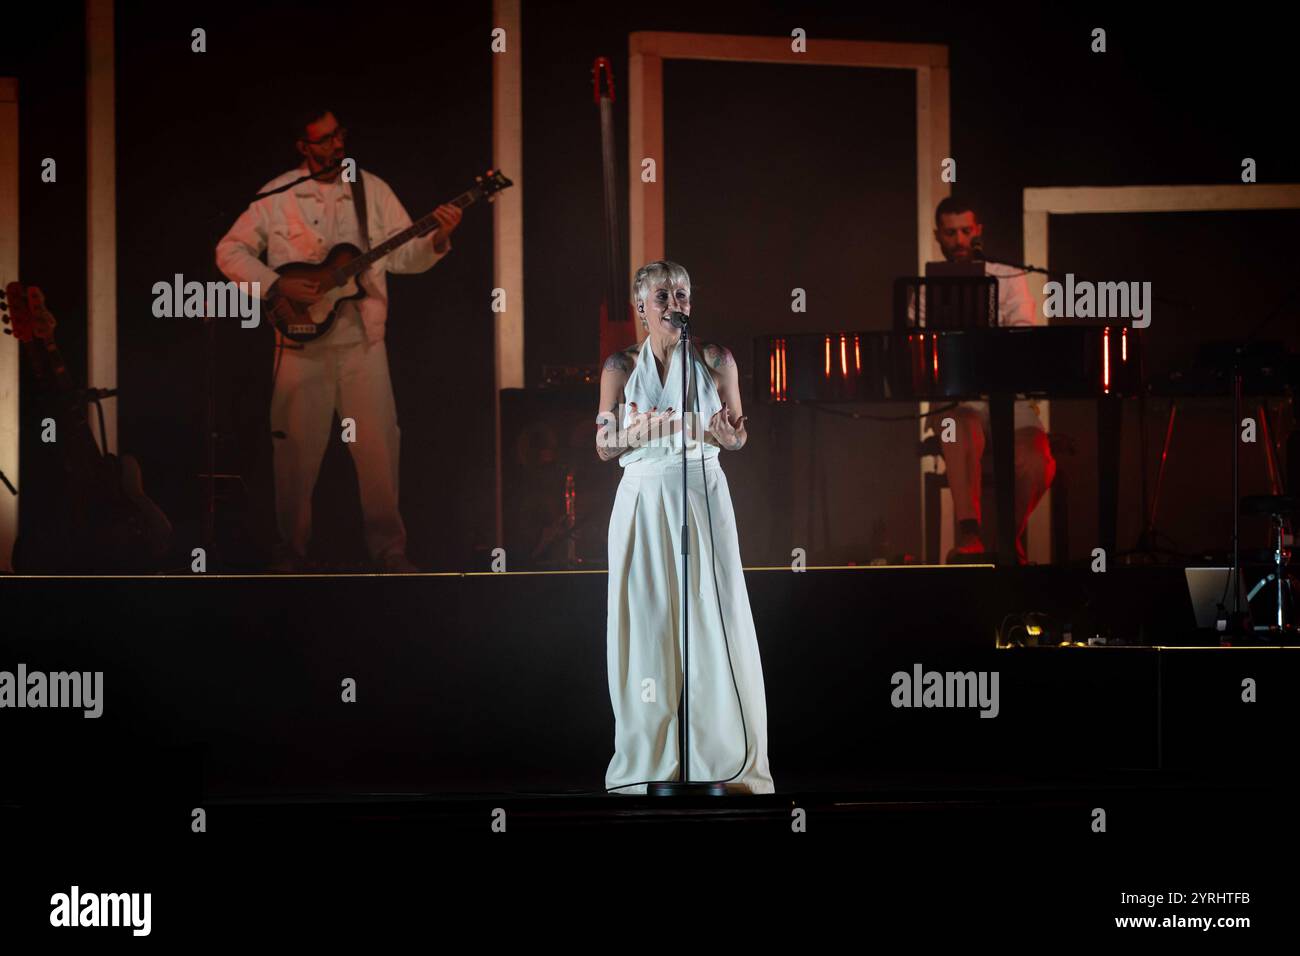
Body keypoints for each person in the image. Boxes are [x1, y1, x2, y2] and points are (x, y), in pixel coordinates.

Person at [216, 109, 462, 572]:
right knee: (293, 451)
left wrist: (437, 239)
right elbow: (229, 251)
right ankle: (291, 550)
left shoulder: (372, 189)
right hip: (300, 346)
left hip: (361, 341)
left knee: (379, 446)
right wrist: (274, 284)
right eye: (322, 140)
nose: (334, 146)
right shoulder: (278, 193)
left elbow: (404, 256)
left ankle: (390, 552)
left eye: (337, 136)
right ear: (303, 147)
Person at [596, 259, 774, 795]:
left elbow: (738, 436)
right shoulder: (620, 367)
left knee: (711, 616)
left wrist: (727, 436)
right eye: (664, 295)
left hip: (701, 494)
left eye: (683, 294)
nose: (676, 303)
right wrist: (636, 433)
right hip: (644, 499)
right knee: (648, 622)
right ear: (641, 306)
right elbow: (604, 446)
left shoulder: (716, 359)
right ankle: (651, 761)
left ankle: (720, 757)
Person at [925, 196, 1056, 563]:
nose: (959, 240)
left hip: (1010, 400)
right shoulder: (923, 287)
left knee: (1038, 459)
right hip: (959, 399)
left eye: (966, 231)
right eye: (951, 233)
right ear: (938, 236)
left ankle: (1005, 535)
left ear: (978, 231)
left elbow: (1023, 333)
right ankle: (970, 533)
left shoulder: (1009, 277)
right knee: (957, 423)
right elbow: (918, 343)